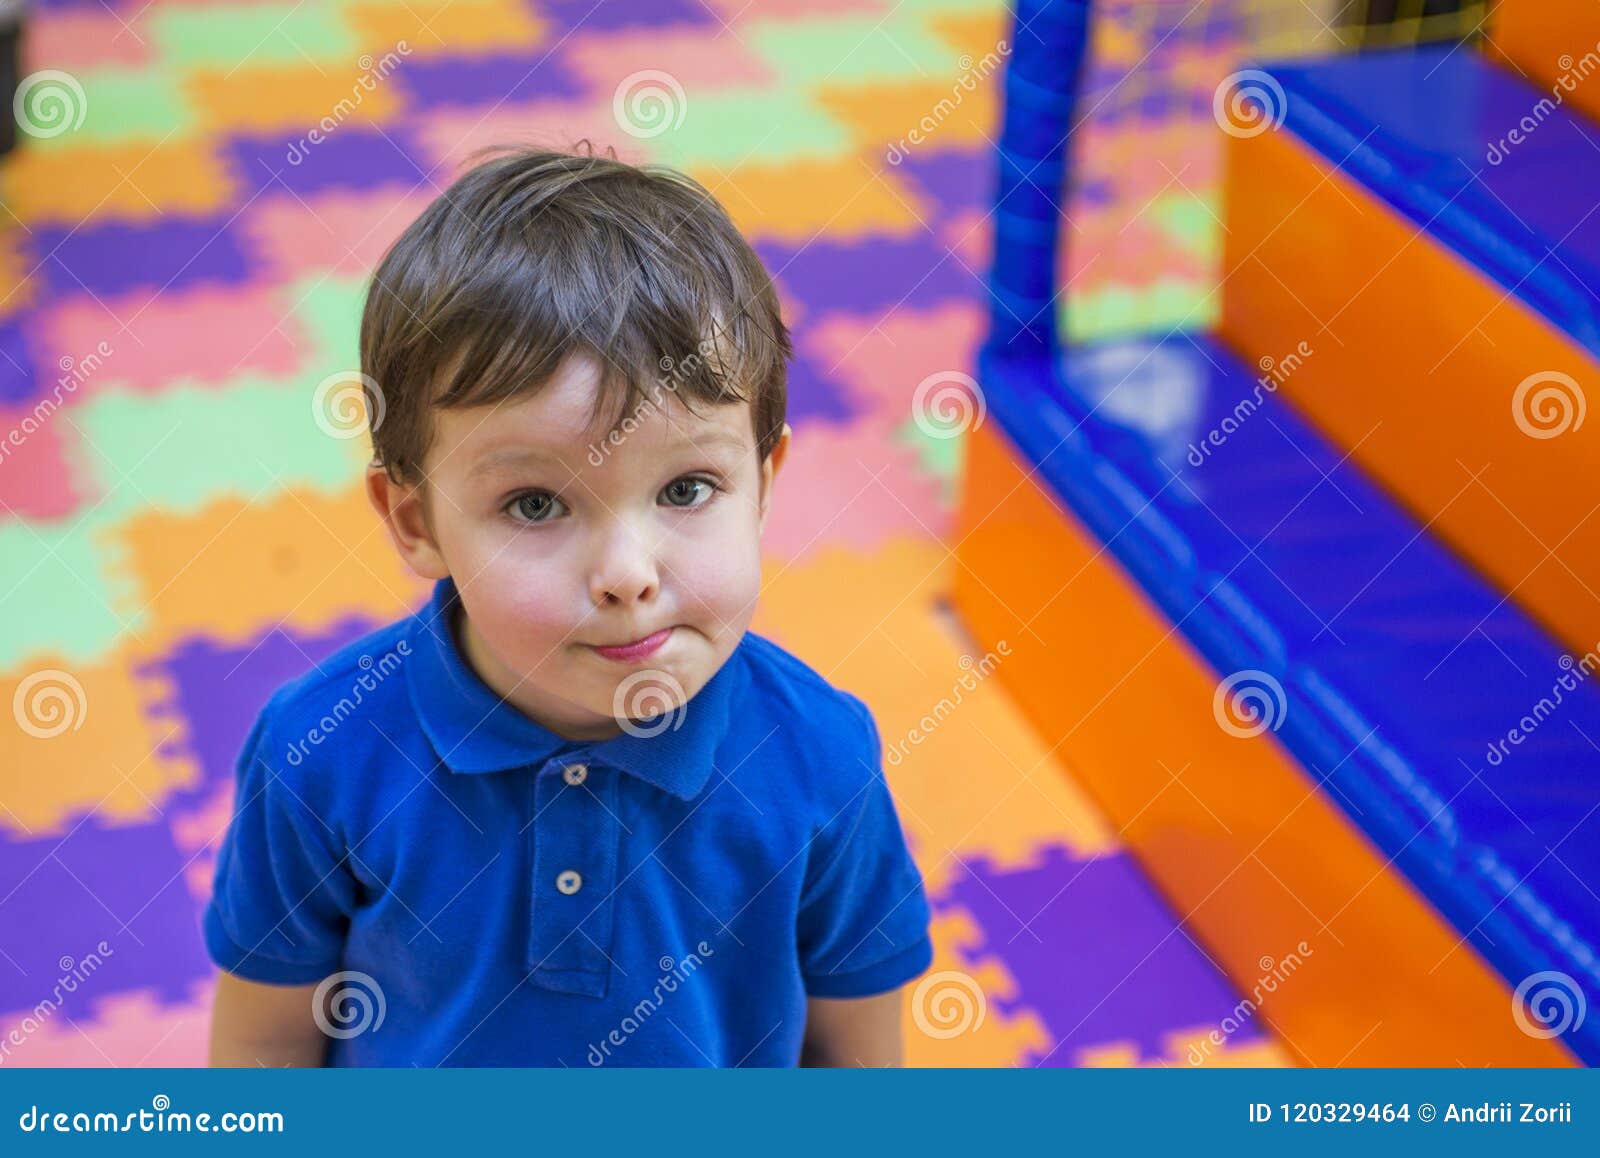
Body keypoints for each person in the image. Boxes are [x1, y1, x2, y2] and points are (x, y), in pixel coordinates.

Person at [203, 145, 933, 1067]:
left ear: (763, 481)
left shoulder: (822, 759)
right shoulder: (321, 750)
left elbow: (859, 1064)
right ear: (417, 520)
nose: (626, 574)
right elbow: (262, 1058)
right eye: (536, 505)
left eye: (688, 488)